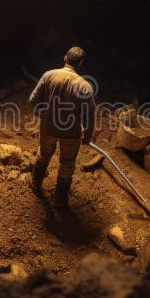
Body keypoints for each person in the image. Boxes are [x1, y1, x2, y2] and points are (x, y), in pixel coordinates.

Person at [28, 46, 96, 208]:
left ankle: (36, 183)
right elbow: (89, 116)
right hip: (71, 133)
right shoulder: (85, 86)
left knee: (44, 154)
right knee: (67, 163)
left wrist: (45, 115)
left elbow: (33, 100)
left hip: (48, 128)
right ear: (80, 63)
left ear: (65, 58)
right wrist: (87, 136)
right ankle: (60, 197)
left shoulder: (49, 75)